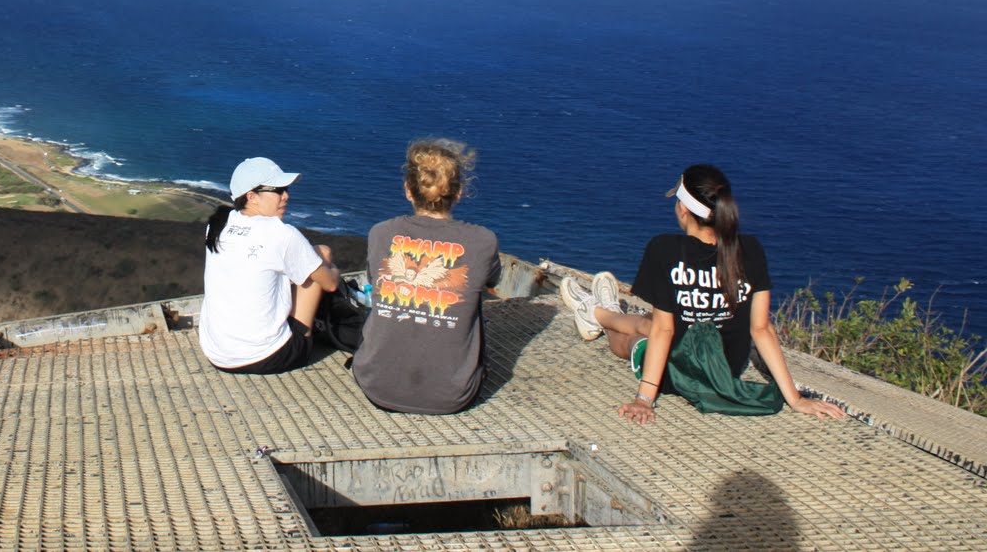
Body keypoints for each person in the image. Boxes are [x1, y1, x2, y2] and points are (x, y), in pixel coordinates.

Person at [558, 163, 846, 425]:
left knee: (629, 339)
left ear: (683, 209)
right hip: (726, 367)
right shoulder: (751, 251)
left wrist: (644, 399)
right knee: (649, 320)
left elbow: (664, 331)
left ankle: (594, 314)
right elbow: (761, 329)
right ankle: (604, 310)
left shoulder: (665, 249)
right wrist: (794, 398)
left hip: (679, 373)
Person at [351, 138, 502, 413]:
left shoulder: (381, 232)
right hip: (453, 395)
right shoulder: (483, 241)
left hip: (377, 386)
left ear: (408, 190)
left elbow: (375, 280)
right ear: (458, 193)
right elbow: (491, 281)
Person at [199, 156, 341, 373]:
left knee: (301, 263)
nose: (286, 196)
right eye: (278, 190)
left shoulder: (218, 225)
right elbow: (330, 284)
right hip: (270, 356)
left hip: (217, 354)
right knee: (322, 254)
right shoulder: (281, 234)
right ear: (251, 196)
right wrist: (335, 271)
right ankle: (305, 335)